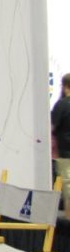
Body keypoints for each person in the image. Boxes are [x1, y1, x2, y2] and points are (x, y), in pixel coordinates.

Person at [52, 73, 70, 213]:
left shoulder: (62, 105)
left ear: (65, 86)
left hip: (65, 155)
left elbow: (51, 127)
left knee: (68, 191)